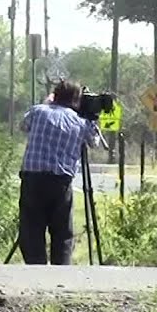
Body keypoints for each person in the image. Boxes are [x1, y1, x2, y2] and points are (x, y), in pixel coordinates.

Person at [17, 79, 102, 265]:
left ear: (55, 95)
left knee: (31, 229)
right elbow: (94, 143)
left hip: (33, 179)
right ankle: (59, 273)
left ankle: (35, 268)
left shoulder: (38, 111)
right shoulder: (80, 122)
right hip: (60, 182)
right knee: (62, 232)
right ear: (76, 100)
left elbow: (23, 126)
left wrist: (47, 102)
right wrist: (92, 118)